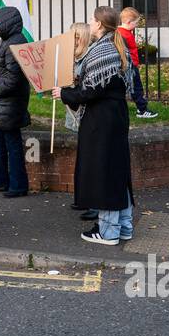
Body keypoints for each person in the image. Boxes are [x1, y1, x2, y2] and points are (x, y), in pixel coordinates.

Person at [53, 6, 135, 245]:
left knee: (104, 172)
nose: (89, 23)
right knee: (118, 171)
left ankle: (108, 231)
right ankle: (124, 226)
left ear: (99, 24)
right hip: (115, 117)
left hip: (102, 120)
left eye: (91, 19)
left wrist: (65, 93)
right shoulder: (114, 46)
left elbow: (91, 91)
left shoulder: (102, 51)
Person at [0, 6, 31, 198]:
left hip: (9, 102)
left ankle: (18, 186)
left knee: (12, 145)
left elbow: (14, 76)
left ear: (6, 24)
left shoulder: (15, 43)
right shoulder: (8, 41)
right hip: (3, 104)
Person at [65, 21, 100, 222]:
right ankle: (83, 198)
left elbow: (86, 87)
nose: (73, 40)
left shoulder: (89, 57)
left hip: (87, 114)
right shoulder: (75, 57)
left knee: (91, 160)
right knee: (83, 159)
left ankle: (93, 203)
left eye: (76, 37)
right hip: (77, 112)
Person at [119, 7, 157, 119]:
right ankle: (142, 110)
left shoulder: (121, 32)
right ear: (128, 22)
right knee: (137, 88)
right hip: (129, 66)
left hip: (128, 66)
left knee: (124, 88)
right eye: (135, 23)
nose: (136, 25)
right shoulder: (124, 34)